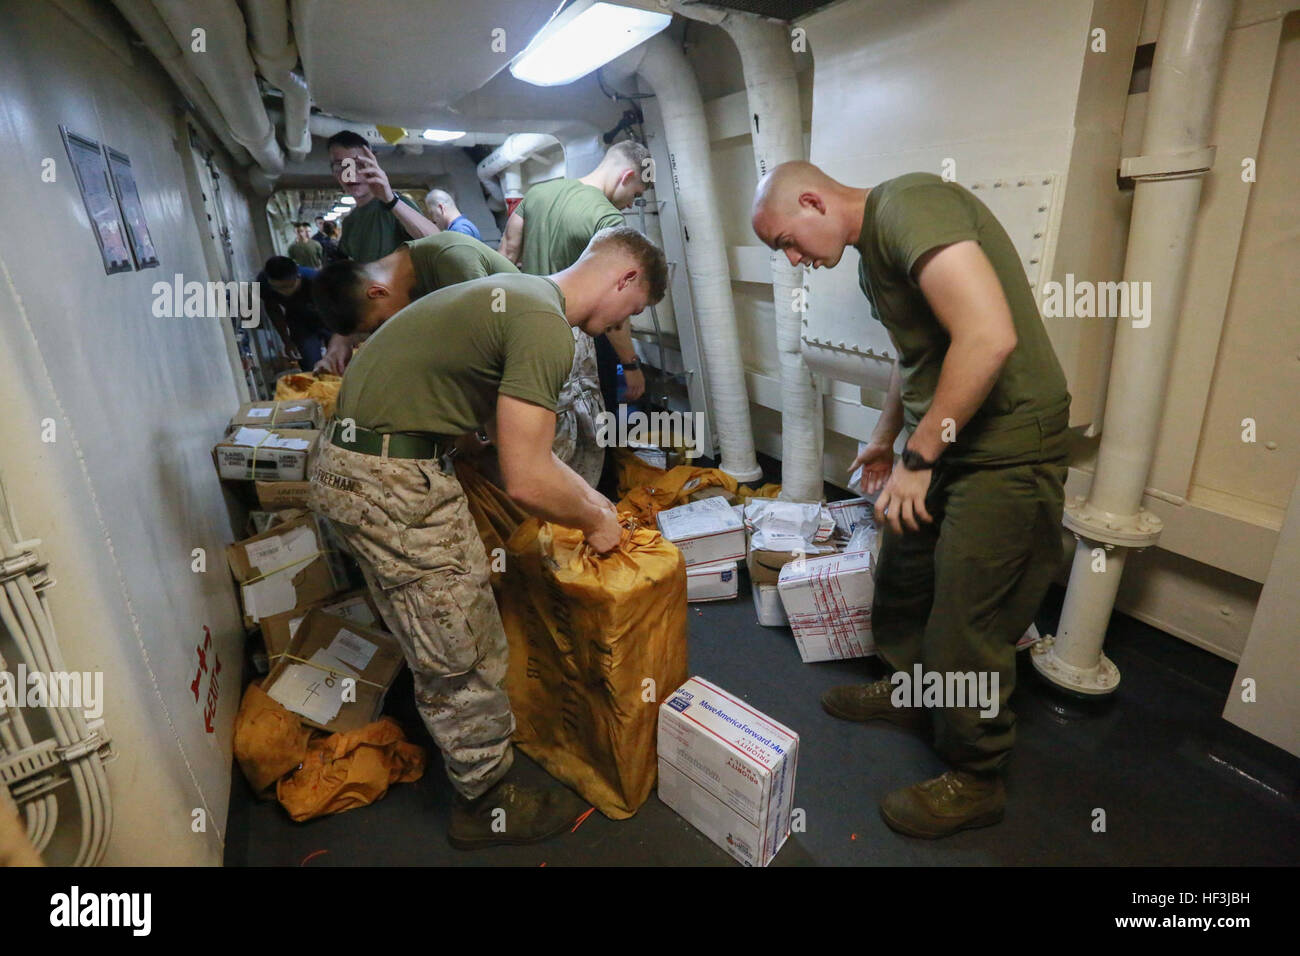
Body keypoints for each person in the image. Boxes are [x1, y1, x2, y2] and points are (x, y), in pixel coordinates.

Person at [308, 226, 668, 849]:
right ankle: (485, 800)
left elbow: (507, 447)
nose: (619, 323)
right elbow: (526, 477)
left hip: (362, 464)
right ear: (625, 279)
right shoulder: (545, 326)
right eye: (630, 312)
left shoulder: (518, 293)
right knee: (462, 644)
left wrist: (592, 500)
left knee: (435, 626)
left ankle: (479, 760)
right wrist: (596, 521)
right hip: (393, 481)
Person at [752, 161, 1071, 839]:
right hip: (951, 442)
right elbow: (922, 354)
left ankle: (977, 777)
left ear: (813, 199)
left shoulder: (909, 205)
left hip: (1005, 450)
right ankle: (909, 691)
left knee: (967, 623)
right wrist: (886, 437)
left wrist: (919, 461)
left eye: (786, 240)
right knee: (902, 575)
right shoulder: (874, 256)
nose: (793, 259)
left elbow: (988, 337)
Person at [498, 140, 651, 486]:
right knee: (597, 430)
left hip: (532, 328)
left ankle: (551, 512)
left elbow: (506, 254)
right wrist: (630, 365)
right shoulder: (607, 218)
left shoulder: (536, 195)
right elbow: (614, 306)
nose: (630, 204)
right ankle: (601, 504)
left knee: (546, 428)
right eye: (635, 194)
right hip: (583, 340)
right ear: (626, 176)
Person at [313, 231, 518, 341]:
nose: (388, 329)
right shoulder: (407, 278)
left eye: (381, 323)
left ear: (377, 292)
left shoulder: (451, 260)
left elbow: (487, 345)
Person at [327, 130, 439, 263]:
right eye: (341, 165)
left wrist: (390, 200)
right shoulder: (350, 221)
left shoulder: (396, 205)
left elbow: (438, 243)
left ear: (372, 165)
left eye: (358, 164)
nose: (351, 174)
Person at [257, 256, 339, 371]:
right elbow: (274, 311)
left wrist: (344, 336)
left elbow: (339, 308)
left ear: (298, 277)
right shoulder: (263, 283)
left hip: (328, 318)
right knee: (311, 365)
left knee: (340, 359)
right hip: (299, 322)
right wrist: (286, 341)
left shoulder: (316, 280)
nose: (284, 292)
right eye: (278, 288)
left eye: (287, 287)